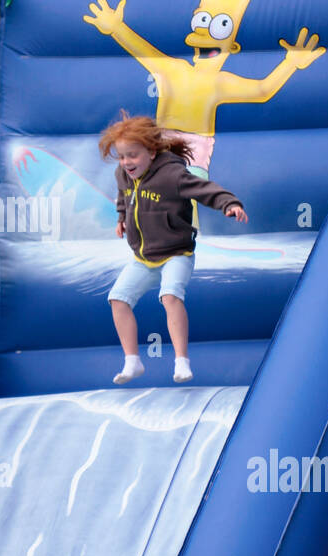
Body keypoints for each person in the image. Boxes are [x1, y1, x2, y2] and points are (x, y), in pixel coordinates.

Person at [99, 112, 248, 385]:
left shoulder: (172, 175)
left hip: (176, 253)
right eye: (122, 156)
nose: (126, 162)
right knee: (117, 299)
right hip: (143, 257)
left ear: (152, 152)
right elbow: (124, 197)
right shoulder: (123, 174)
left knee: (170, 296)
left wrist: (229, 203)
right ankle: (132, 362)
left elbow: (205, 190)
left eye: (132, 155)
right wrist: (121, 219)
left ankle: (181, 361)